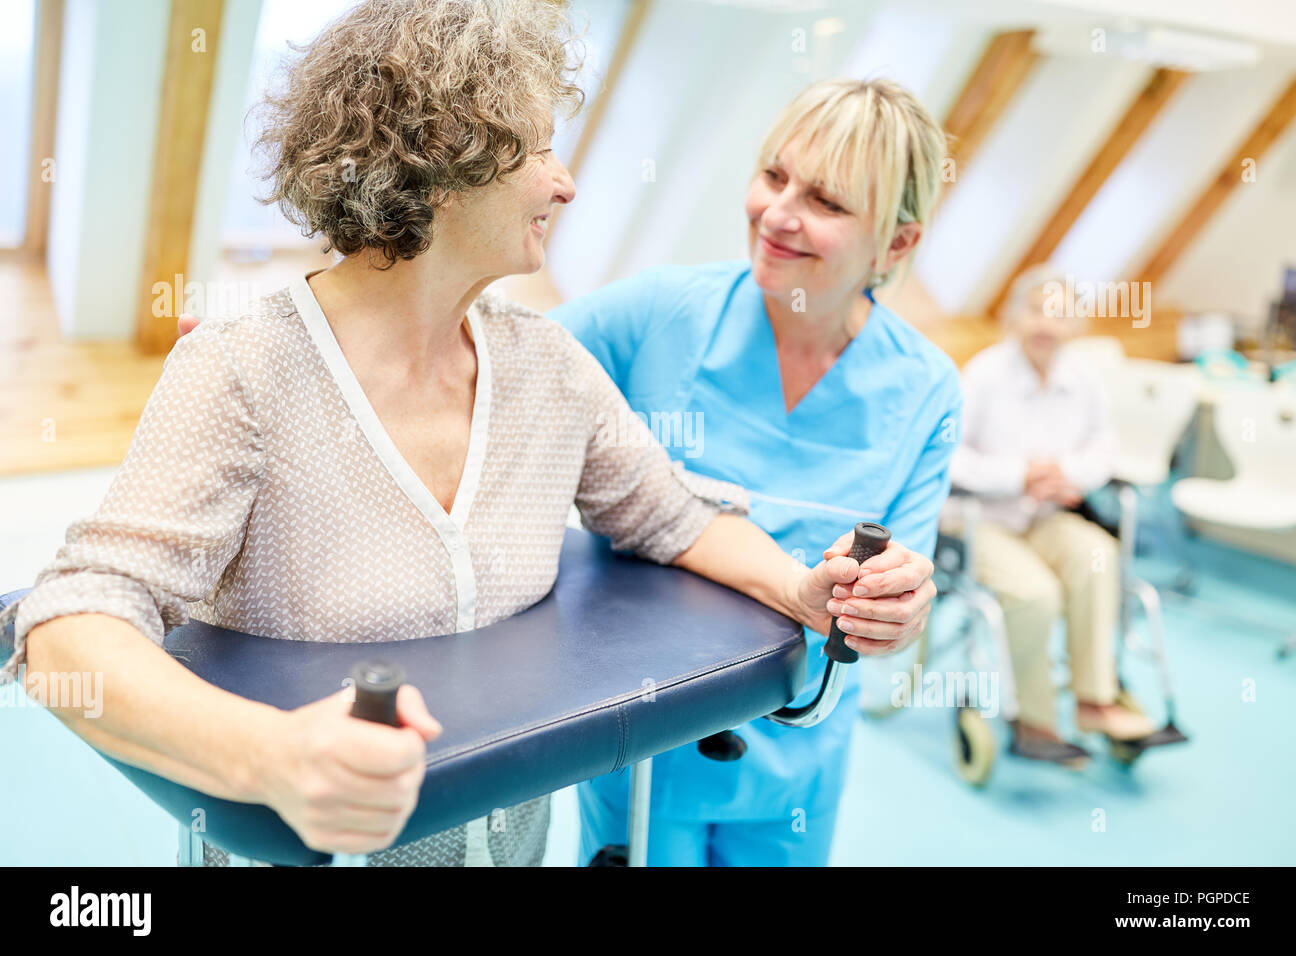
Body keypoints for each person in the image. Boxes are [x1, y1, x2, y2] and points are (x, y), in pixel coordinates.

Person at [0, 0, 929, 867]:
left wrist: (807, 591)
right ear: (444, 160)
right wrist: (271, 758)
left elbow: (670, 516)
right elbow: (71, 623)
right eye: (539, 150)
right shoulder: (244, 371)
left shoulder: (549, 367)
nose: (565, 185)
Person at [548, 77, 961, 866]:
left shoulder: (925, 387)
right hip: (646, 745)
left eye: (827, 203)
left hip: (800, 752)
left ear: (897, 244)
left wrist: (899, 610)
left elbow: (903, 600)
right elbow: (493, 371)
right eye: (774, 176)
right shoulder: (657, 314)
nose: (777, 213)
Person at [949, 264, 1155, 769]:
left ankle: (1094, 698)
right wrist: (1019, 475)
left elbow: (1104, 445)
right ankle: (1032, 719)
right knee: (1035, 592)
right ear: (1014, 315)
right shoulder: (983, 374)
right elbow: (949, 457)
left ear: (1076, 325)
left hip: (1045, 515)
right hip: (981, 518)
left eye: (1059, 315)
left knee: (1098, 556)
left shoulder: (1083, 377)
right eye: (1036, 310)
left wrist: (1070, 476)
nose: (1046, 324)